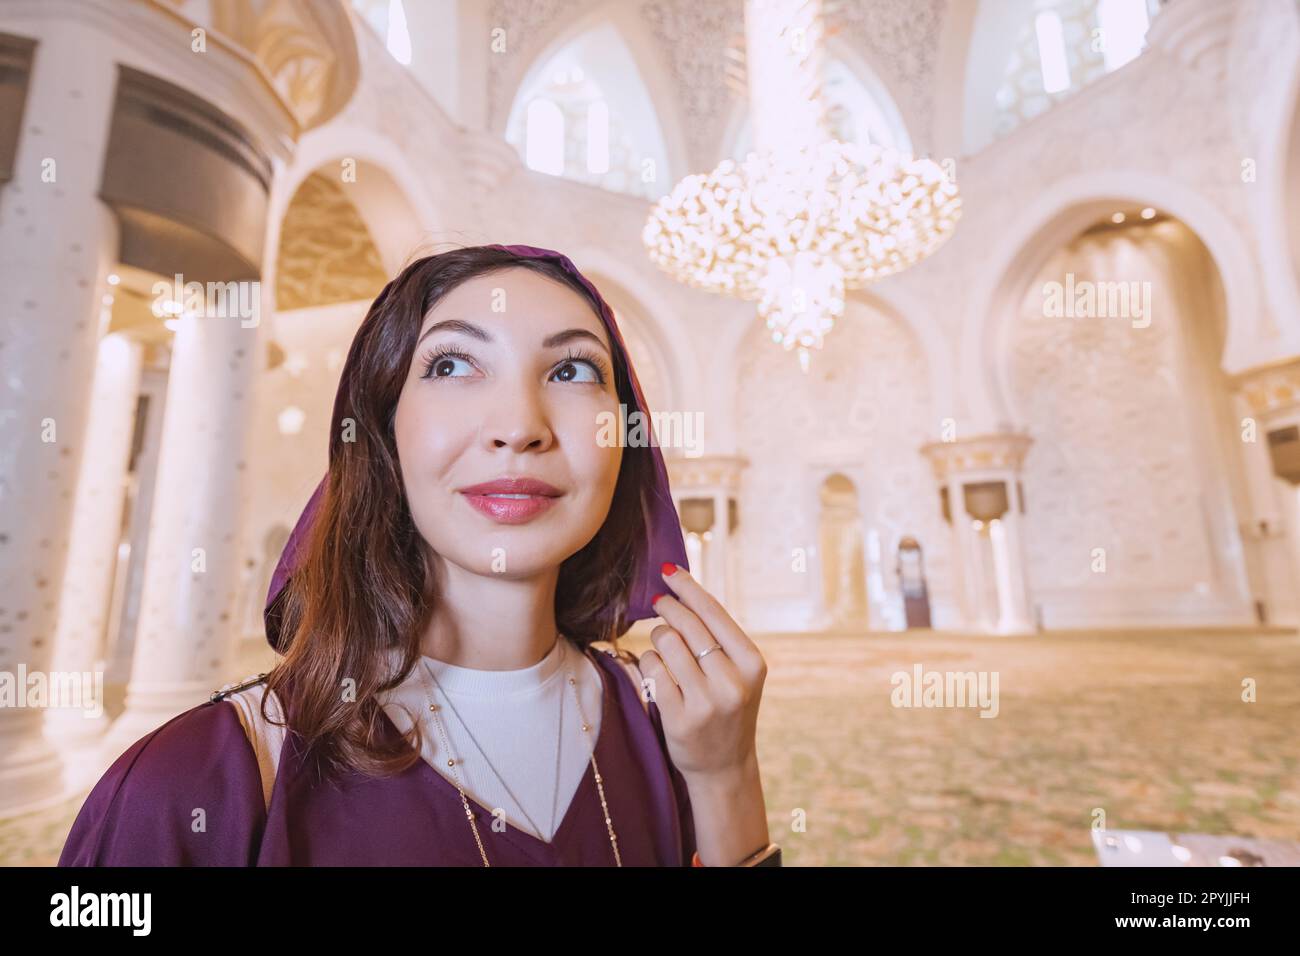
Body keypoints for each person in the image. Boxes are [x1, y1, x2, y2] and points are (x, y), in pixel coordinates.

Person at [58, 243, 778, 867]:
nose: (519, 427)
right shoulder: (190, 785)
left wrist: (726, 779)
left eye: (571, 371)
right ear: (383, 429)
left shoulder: (676, 730)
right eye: (454, 364)